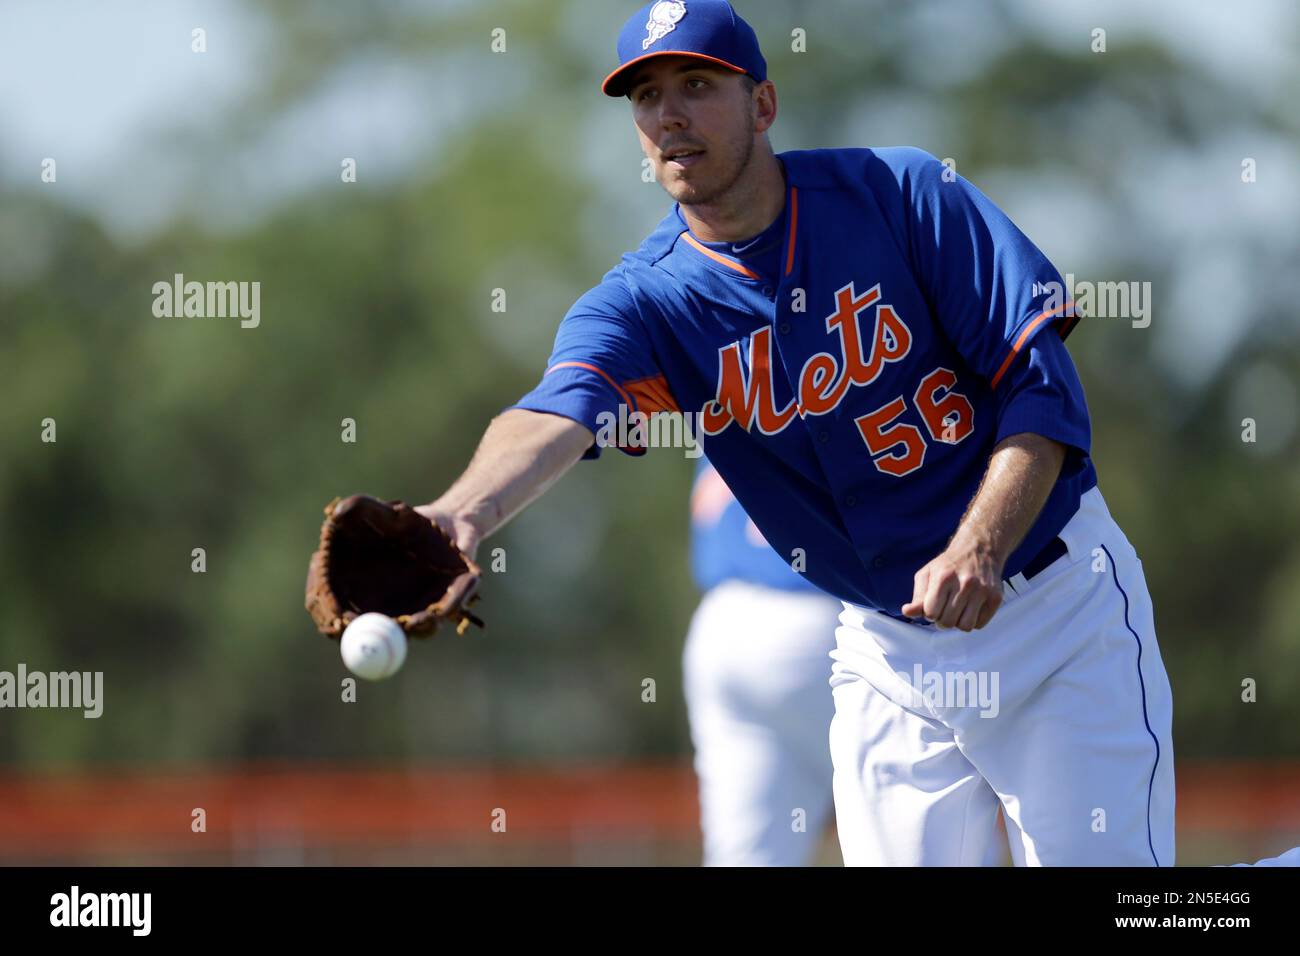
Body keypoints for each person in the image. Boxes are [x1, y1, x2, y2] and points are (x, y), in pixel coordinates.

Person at [416, 0, 1174, 865]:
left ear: (763, 105)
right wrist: (464, 510)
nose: (669, 114)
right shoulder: (648, 301)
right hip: (887, 652)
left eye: (697, 84)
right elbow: (558, 408)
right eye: (646, 96)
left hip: (1054, 606)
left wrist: (982, 546)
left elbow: (1041, 393)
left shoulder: (899, 194)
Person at [684, 459, 840, 865]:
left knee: (748, 855)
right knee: (910, 819)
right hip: (822, 619)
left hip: (720, 627)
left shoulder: (722, 393)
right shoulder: (842, 394)